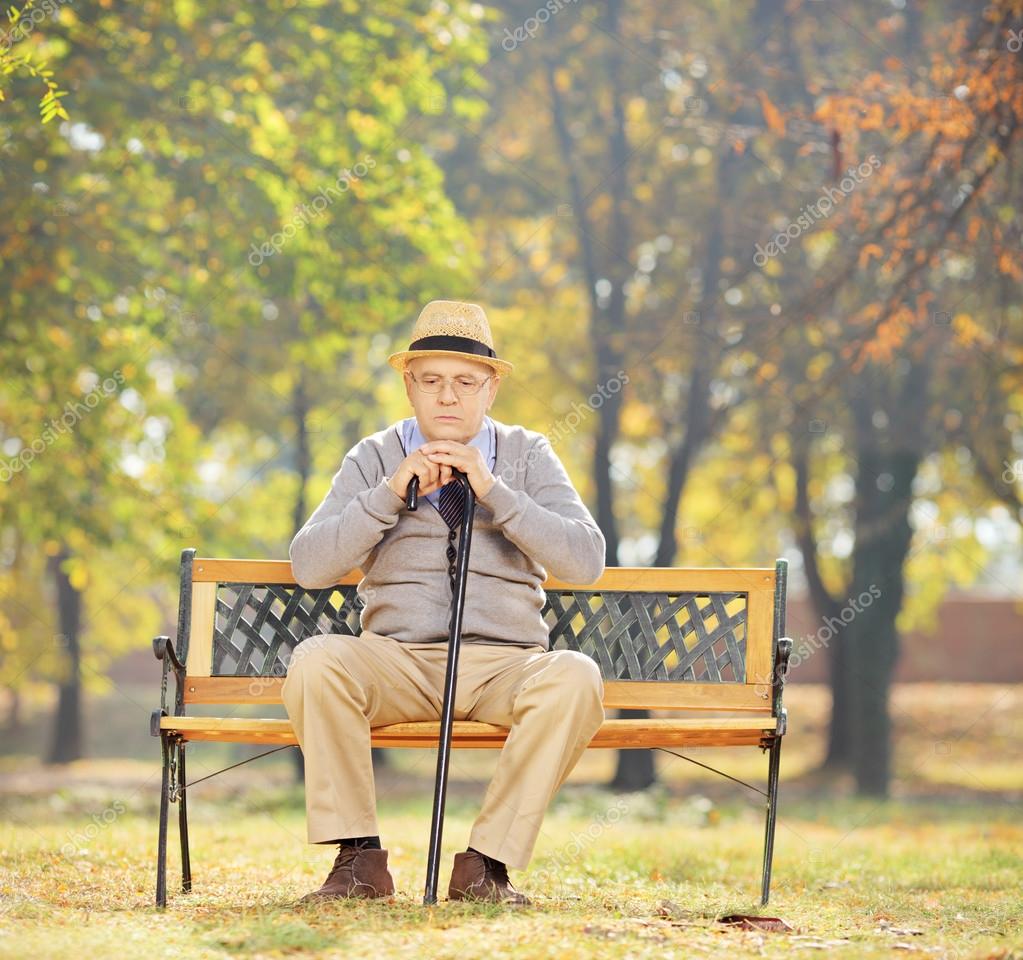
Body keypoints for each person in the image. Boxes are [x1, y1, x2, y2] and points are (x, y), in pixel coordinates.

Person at [282, 299, 606, 906]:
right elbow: (311, 566)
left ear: (491, 389)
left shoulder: (527, 453)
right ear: (409, 387)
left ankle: (487, 866)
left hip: (505, 665)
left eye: (465, 383)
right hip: (396, 660)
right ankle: (358, 862)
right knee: (317, 659)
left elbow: (585, 560)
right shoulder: (373, 455)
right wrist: (388, 494)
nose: (448, 397)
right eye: (431, 382)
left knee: (576, 676)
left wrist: (494, 491)